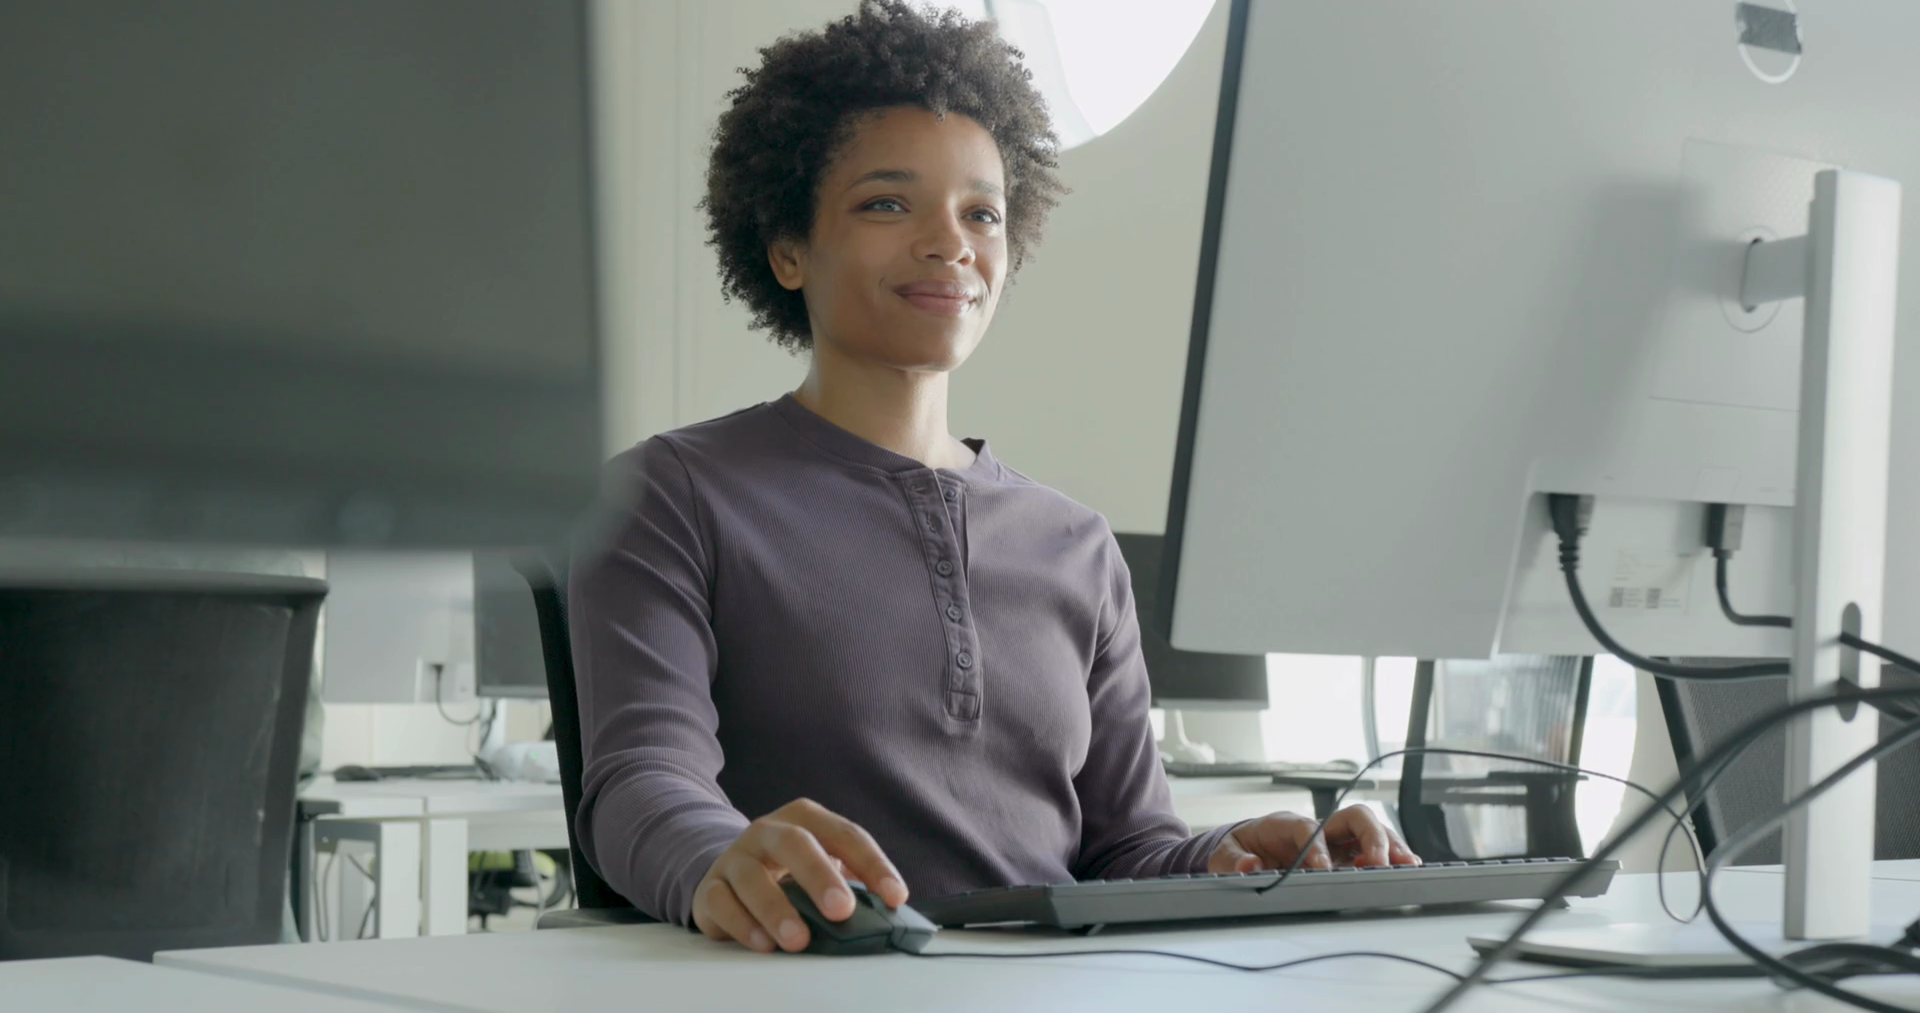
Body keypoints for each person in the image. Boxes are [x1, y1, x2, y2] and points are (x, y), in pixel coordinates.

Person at [570, 0, 1418, 954]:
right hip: (815, 982)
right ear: (788, 247)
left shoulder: (1077, 545)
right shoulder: (669, 493)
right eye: (888, 202)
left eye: (983, 212)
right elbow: (641, 779)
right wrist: (720, 859)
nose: (951, 242)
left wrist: (1239, 851)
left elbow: (1126, 846)